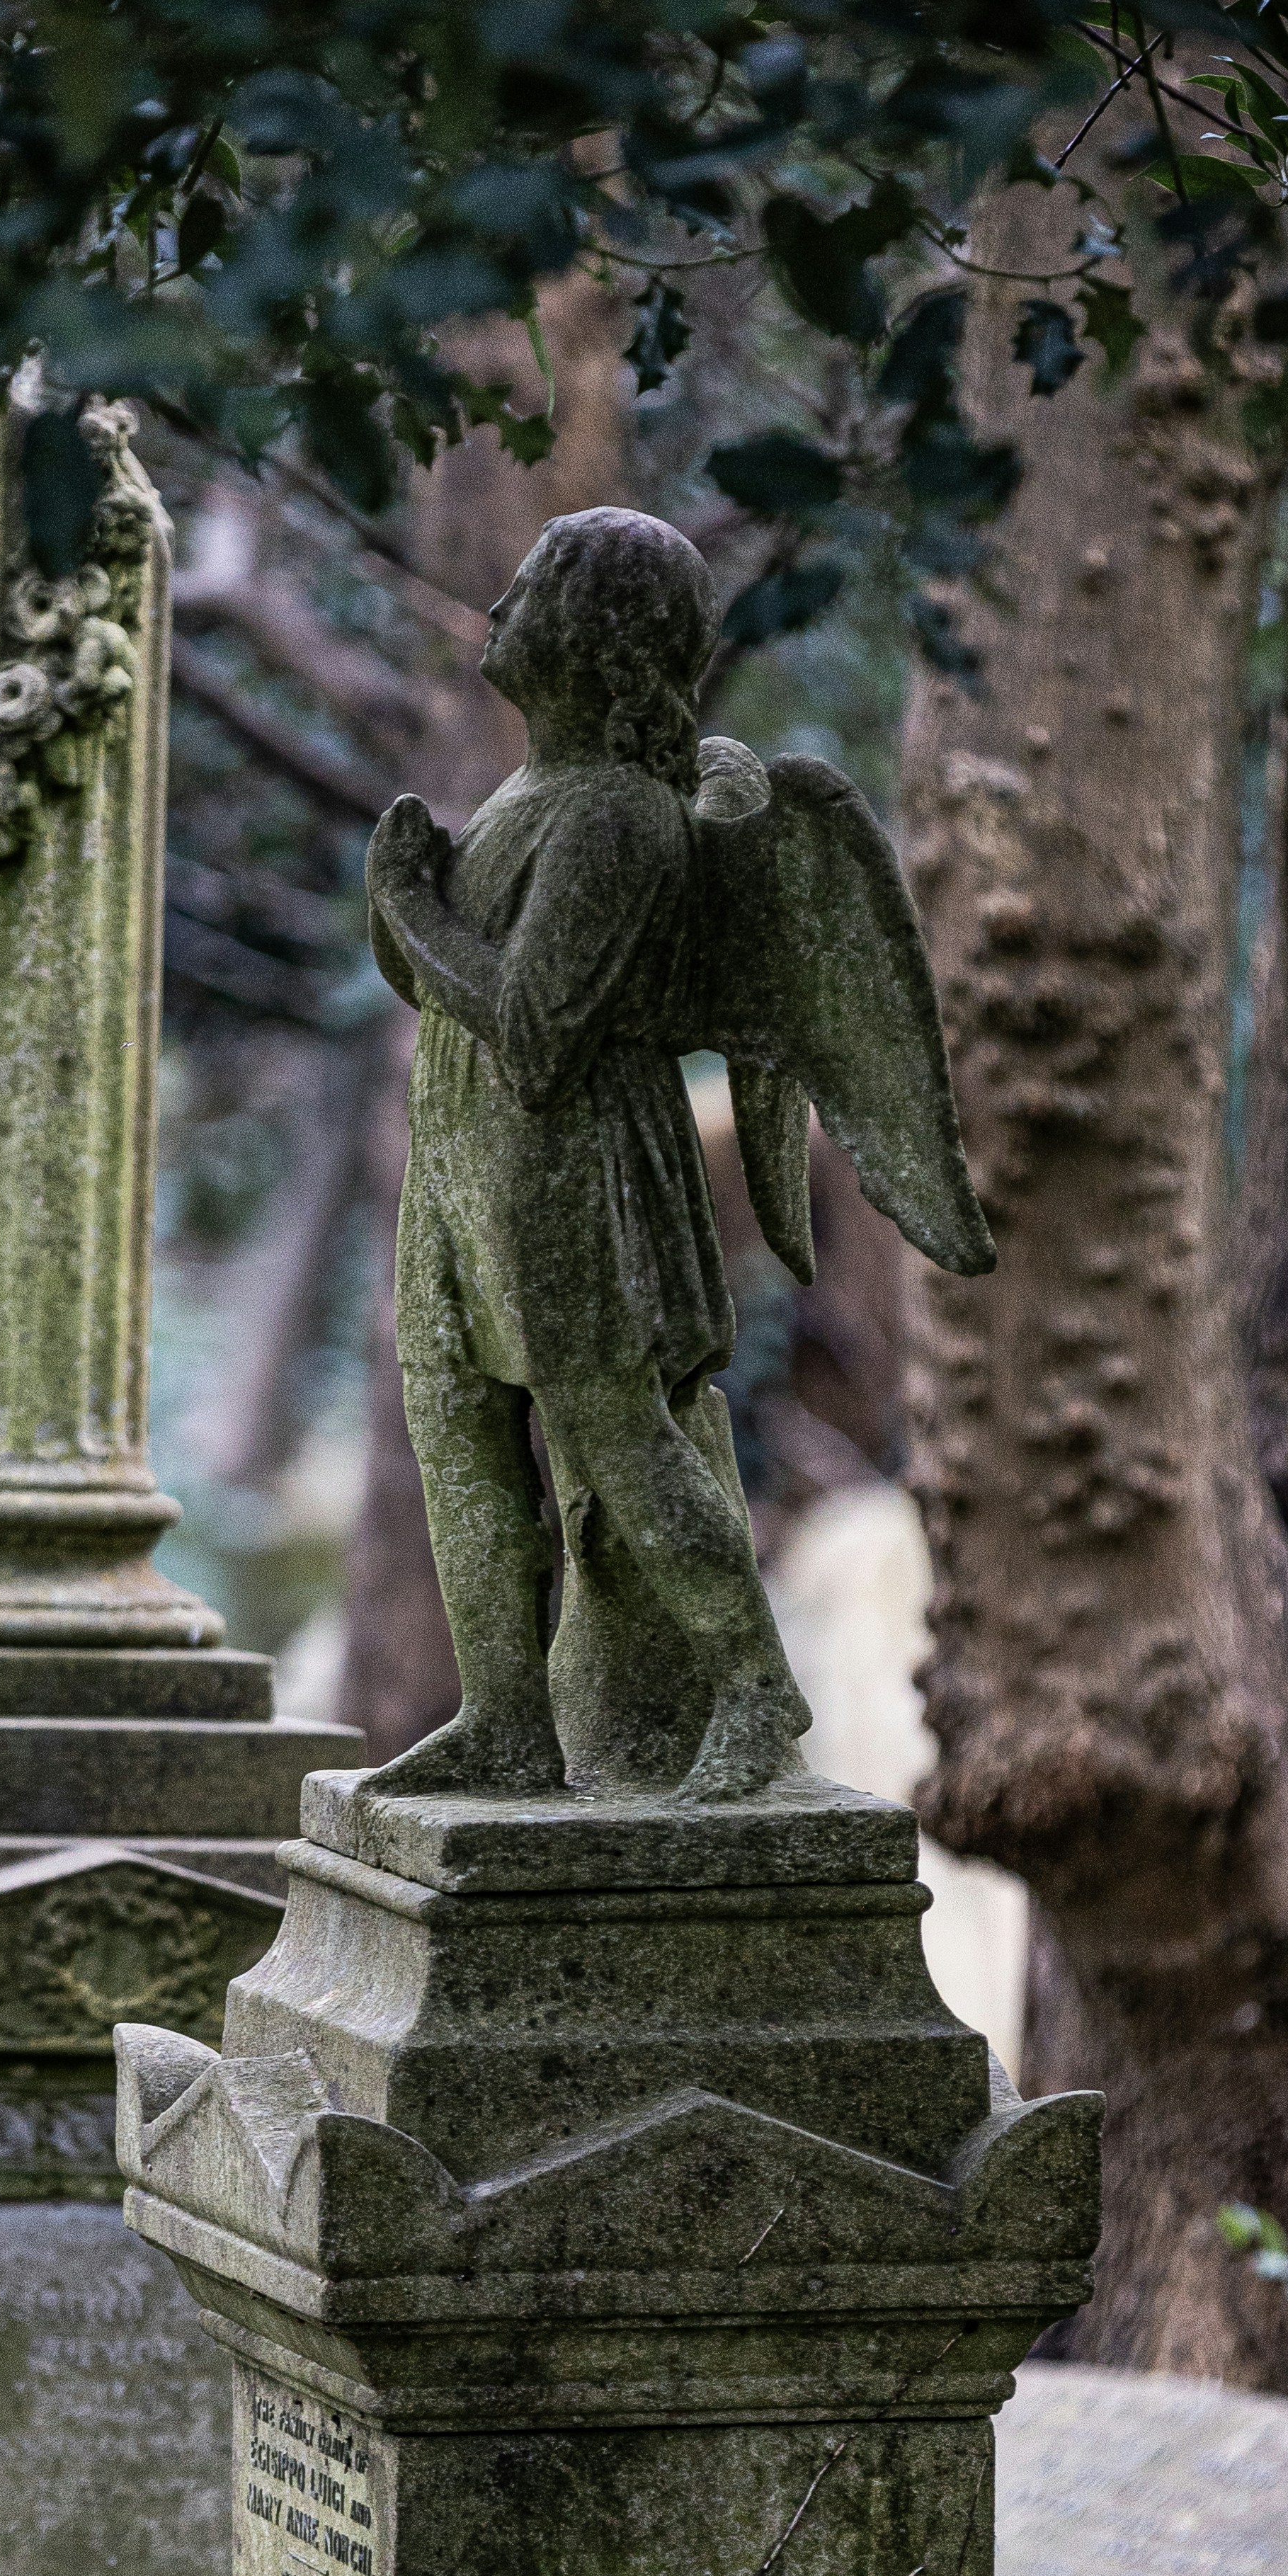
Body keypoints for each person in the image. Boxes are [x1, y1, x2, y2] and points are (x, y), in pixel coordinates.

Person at [359, 503, 811, 1805]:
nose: (499, 608)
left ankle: (752, 1676)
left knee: (613, 1434)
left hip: (569, 1169)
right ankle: (506, 1715)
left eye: (534, 587)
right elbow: (464, 982)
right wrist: (418, 918)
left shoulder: (618, 816)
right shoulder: (532, 796)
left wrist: (410, 910)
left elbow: (539, 1027)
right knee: (456, 1427)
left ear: (604, 637)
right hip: (464, 1156)